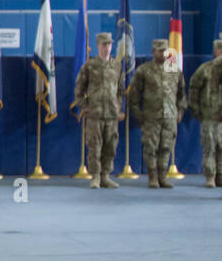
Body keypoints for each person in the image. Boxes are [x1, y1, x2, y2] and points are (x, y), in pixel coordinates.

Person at [129, 38, 186, 189]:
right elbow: (133, 95)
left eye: (165, 50)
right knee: (150, 147)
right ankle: (152, 177)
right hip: (151, 116)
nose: (163, 53)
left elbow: (181, 94)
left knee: (166, 147)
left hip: (169, 116)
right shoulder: (144, 70)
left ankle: (163, 176)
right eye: (160, 50)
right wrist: (138, 114)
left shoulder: (174, 70)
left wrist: (180, 111)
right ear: (153, 51)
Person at [74, 31, 125, 190]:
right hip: (95, 114)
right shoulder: (89, 65)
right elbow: (79, 89)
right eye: (104, 45)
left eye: (109, 44)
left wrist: (118, 106)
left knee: (110, 146)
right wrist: (84, 106)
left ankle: (105, 176)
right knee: (95, 147)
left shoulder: (116, 65)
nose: (107, 47)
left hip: (111, 114)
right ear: (98, 46)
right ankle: (95, 177)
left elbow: (121, 89)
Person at [188, 38, 222, 187]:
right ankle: (210, 176)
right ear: (215, 51)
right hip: (209, 115)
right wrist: (196, 110)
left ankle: (220, 176)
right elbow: (194, 89)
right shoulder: (205, 69)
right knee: (209, 147)